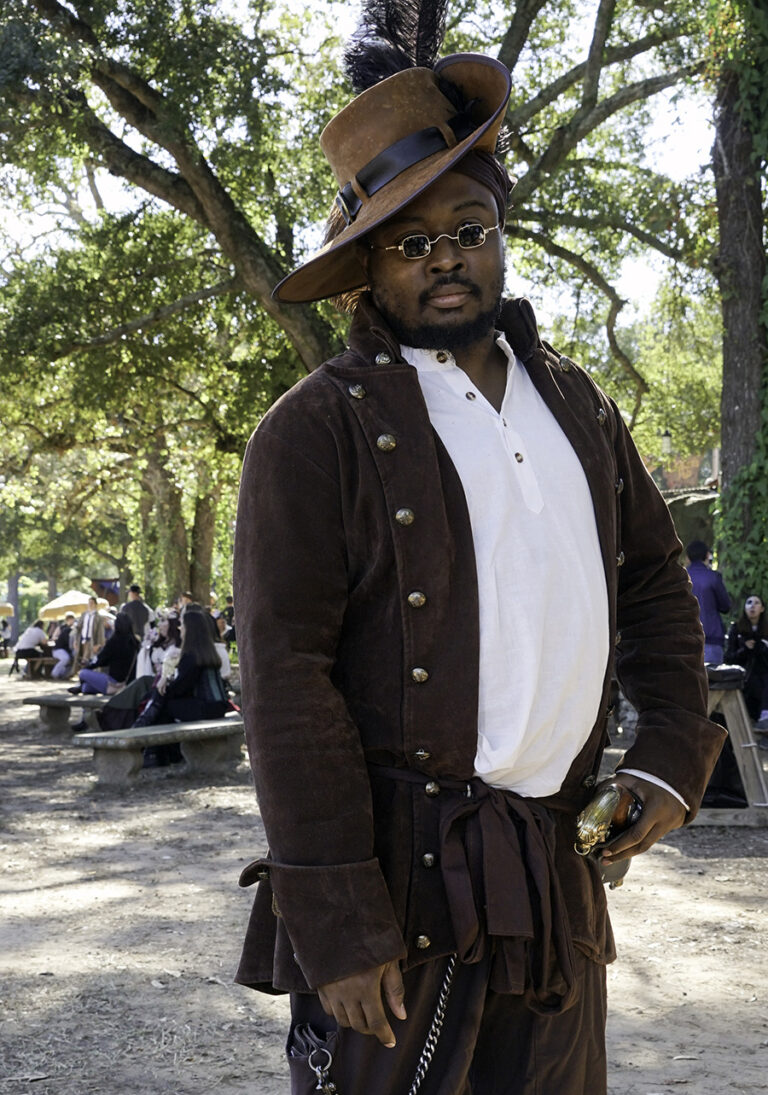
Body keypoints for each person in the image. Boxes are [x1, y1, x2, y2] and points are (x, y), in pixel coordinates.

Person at [232, 32, 725, 1095]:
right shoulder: (313, 434)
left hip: (558, 865)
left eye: (469, 229)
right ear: (366, 265)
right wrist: (338, 918)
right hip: (402, 890)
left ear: (502, 236)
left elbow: (653, 586)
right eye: (409, 242)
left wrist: (669, 757)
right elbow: (283, 678)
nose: (444, 256)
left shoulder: (580, 403)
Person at [132, 610, 229, 765]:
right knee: (160, 698)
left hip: (207, 708)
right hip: (217, 705)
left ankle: (151, 748)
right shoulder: (206, 653)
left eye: (182, 625)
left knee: (162, 700)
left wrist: (163, 683)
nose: (179, 628)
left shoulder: (192, 657)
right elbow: (184, 687)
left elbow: (179, 689)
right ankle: (157, 750)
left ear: (190, 629)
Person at [72, 612, 139, 729]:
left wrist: (88, 665)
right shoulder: (135, 642)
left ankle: (86, 719)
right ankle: (86, 720)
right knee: (86, 687)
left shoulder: (114, 641)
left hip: (113, 684)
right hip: (126, 684)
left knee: (83, 673)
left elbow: (100, 661)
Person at [724, 594, 768, 725]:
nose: (752, 606)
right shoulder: (736, 629)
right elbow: (728, 658)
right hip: (744, 675)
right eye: (749, 602)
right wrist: (744, 650)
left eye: (756, 603)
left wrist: (762, 648)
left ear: (762, 609)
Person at [685, 540, 731, 664]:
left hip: (685, 637)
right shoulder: (713, 577)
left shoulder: (680, 578)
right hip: (711, 636)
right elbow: (725, 606)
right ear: (707, 555)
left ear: (688, 557)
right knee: (712, 680)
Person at [73, 596, 106, 672]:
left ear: (95, 604)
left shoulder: (98, 617)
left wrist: (98, 644)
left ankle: (90, 676)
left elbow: (101, 631)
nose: (90, 604)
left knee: (92, 659)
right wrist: (75, 640)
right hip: (83, 640)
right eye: (89, 603)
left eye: (92, 603)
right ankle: (83, 675)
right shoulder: (84, 615)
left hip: (93, 640)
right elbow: (78, 628)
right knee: (83, 659)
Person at [50, 613, 77, 679]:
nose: (71, 621)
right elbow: (69, 643)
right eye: (70, 619)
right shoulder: (64, 629)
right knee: (66, 658)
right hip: (58, 650)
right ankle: (55, 674)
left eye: (72, 619)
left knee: (72, 658)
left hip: (66, 651)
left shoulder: (73, 630)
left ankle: (64, 675)